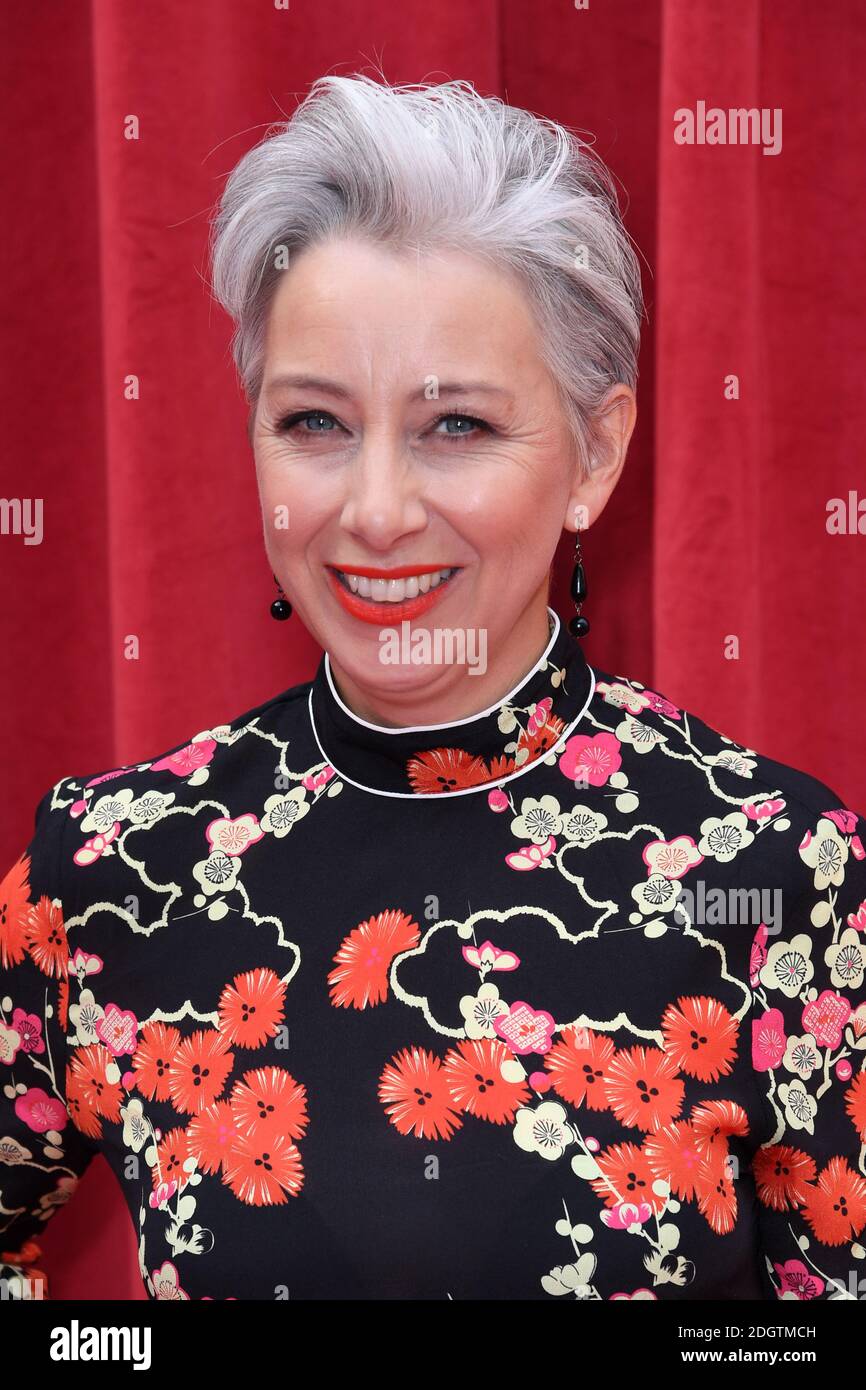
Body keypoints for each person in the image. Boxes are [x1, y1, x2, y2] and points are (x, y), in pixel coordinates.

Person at [2, 72, 864, 1303]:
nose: (376, 512)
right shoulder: (108, 865)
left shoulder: (779, 873)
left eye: (454, 426)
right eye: (313, 421)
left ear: (595, 453)